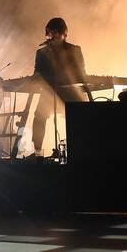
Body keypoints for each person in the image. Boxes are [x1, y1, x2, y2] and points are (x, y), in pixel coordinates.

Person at [29, 17, 87, 157]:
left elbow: (81, 73)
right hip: (50, 92)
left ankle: (80, 151)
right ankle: (38, 153)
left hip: (70, 92)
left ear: (63, 33)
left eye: (55, 32)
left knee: (79, 118)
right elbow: (37, 73)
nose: (51, 36)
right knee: (39, 117)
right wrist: (34, 78)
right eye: (49, 33)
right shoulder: (41, 52)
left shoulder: (74, 50)